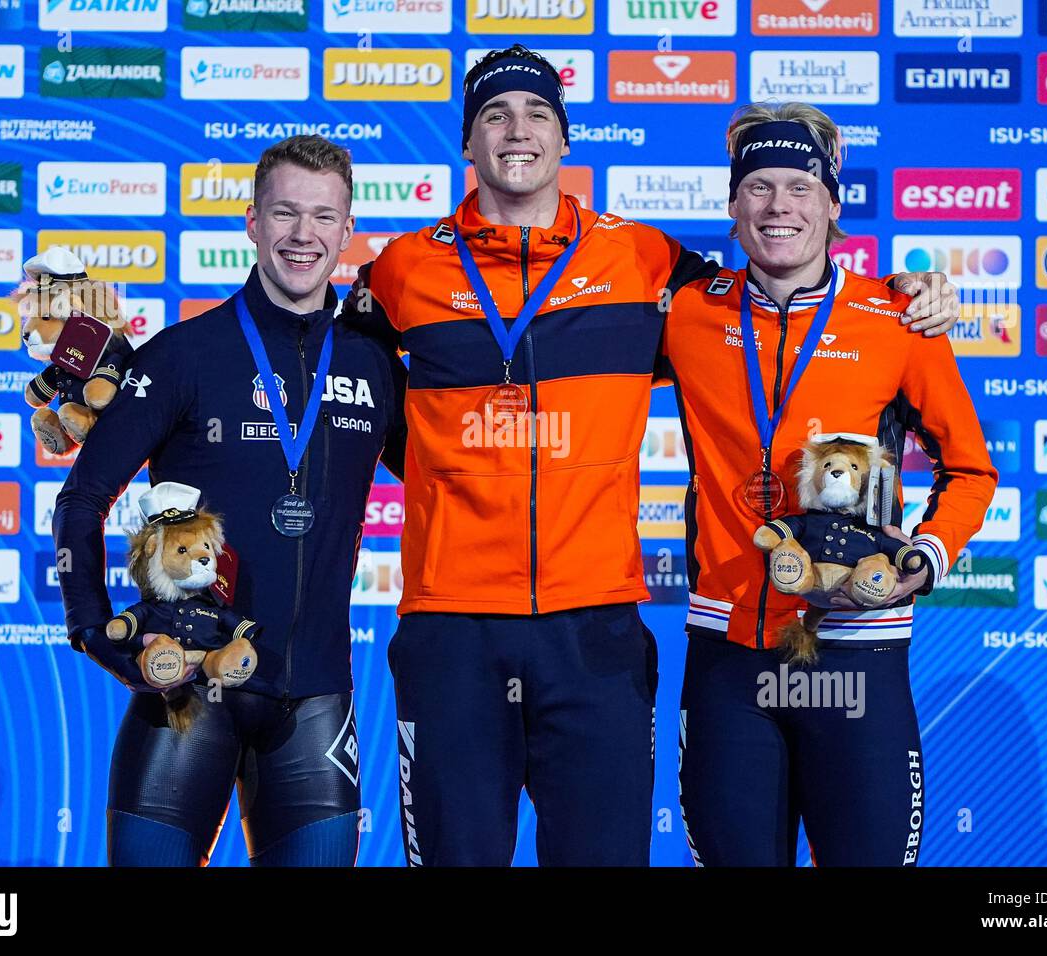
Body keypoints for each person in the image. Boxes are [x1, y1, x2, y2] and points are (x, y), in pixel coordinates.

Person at [345, 46, 962, 866]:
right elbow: (341, 383)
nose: (517, 131)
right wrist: (422, 461)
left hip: (600, 626)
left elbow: (780, 307)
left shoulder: (645, 263)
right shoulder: (401, 268)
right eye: (495, 115)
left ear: (566, 141)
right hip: (453, 624)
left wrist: (913, 290)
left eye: (537, 115)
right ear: (467, 142)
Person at [53, 135, 407, 867]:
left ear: (348, 230)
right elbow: (82, 497)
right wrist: (98, 633)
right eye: (284, 214)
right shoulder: (185, 354)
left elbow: (457, 481)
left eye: (322, 217)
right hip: (184, 696)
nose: (302, 235)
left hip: (315, 703)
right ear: (252, 222)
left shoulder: (375, 367)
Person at [660, 102, 998, 866]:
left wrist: (922, 560)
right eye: (759, 187)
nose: (780, 206)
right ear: (731, 205)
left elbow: (971, 469)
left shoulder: (896, 318)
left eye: (801, 188)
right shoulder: (685, 313)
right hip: (729, 656)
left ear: (834, 203)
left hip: (856, 655)